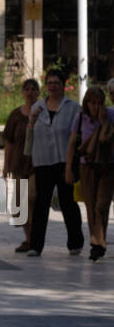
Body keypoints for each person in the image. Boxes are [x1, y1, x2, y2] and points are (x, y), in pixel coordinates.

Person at [26, 68, 82, 257]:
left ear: (63, 85)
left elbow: (79, 137)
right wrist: (32, 122)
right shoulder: (37, 108)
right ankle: (35, 245)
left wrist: (73, 165)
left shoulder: (73, 108)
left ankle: (75, 243)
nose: (52, 86)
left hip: (65, 162)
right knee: (41, 204)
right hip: (43, 161)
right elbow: (29, 138)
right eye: (49, 83)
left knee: (68, 202)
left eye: (56, 83)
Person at [65, 85, 113, 262]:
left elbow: (107, 139)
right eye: (92, 103)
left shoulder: (110, 115)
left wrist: (103, 121)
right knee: (91, 207)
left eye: (99, 103)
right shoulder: (80, 118)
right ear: (87, 103)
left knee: (102, 206)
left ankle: (98, 242)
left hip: (107, 167)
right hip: (86, 167)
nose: (96, 106)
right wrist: (68, 168)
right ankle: (97, 243)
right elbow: (72, 144)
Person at [2, 78, 40, 252]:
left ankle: (34, 238)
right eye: (27, 89)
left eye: (33, 89)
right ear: (23, 92)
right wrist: (6, 165)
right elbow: (8, 141)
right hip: (18, 163)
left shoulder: (42, 113)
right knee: (20, 204)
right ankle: (29, 239)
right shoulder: (15, 115)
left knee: (32, 197)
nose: (30, 92)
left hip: (37, 163)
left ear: (38, 92)